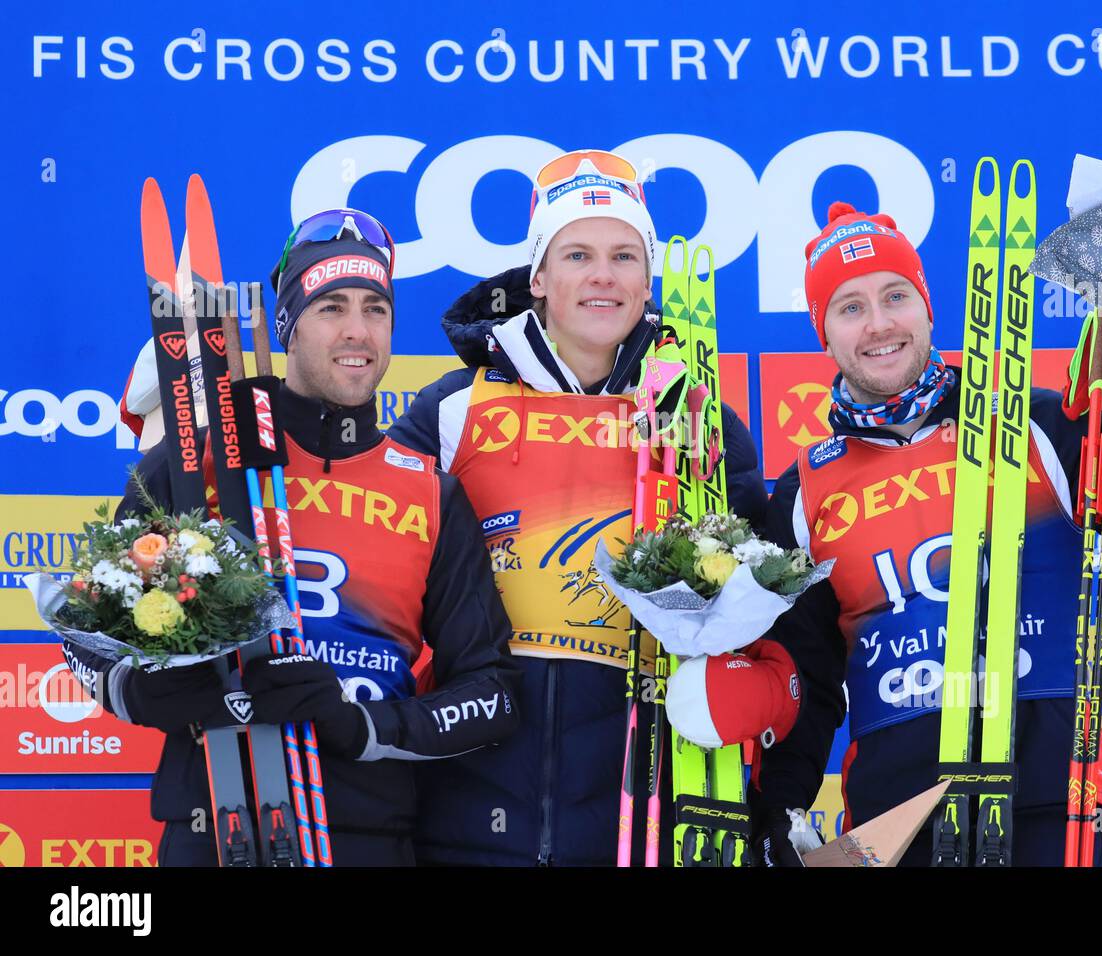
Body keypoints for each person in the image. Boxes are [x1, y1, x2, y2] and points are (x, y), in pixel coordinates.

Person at [748, 201, 1102, 866]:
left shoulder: (1041, 424)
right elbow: (809, 683)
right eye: (850, 307)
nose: (880, 323)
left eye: (896, 296)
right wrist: (778, 813)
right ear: (823, 334)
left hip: (1048, 808)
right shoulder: (802, 492)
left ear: (927, 308)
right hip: (895, 829)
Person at [67, 210, 522, 866]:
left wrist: (361, 725)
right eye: (331, 307)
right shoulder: (196, 466)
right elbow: (87, 638)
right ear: (287, 325)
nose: (358, 331)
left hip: (369, 835)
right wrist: (140, 689)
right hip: (210, 825)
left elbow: (493, 694)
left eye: (376, 309)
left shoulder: (430, 493)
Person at [388, 149, 787, 866]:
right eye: (577, 254)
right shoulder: (453, 408)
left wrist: (758, 689)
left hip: (638, 814)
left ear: (646, 278)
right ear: (539, 278)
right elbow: (380, 573)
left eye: (624, 256)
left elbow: (766, 617)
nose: (603, 276)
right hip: (466, 804)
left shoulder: (697, 419)